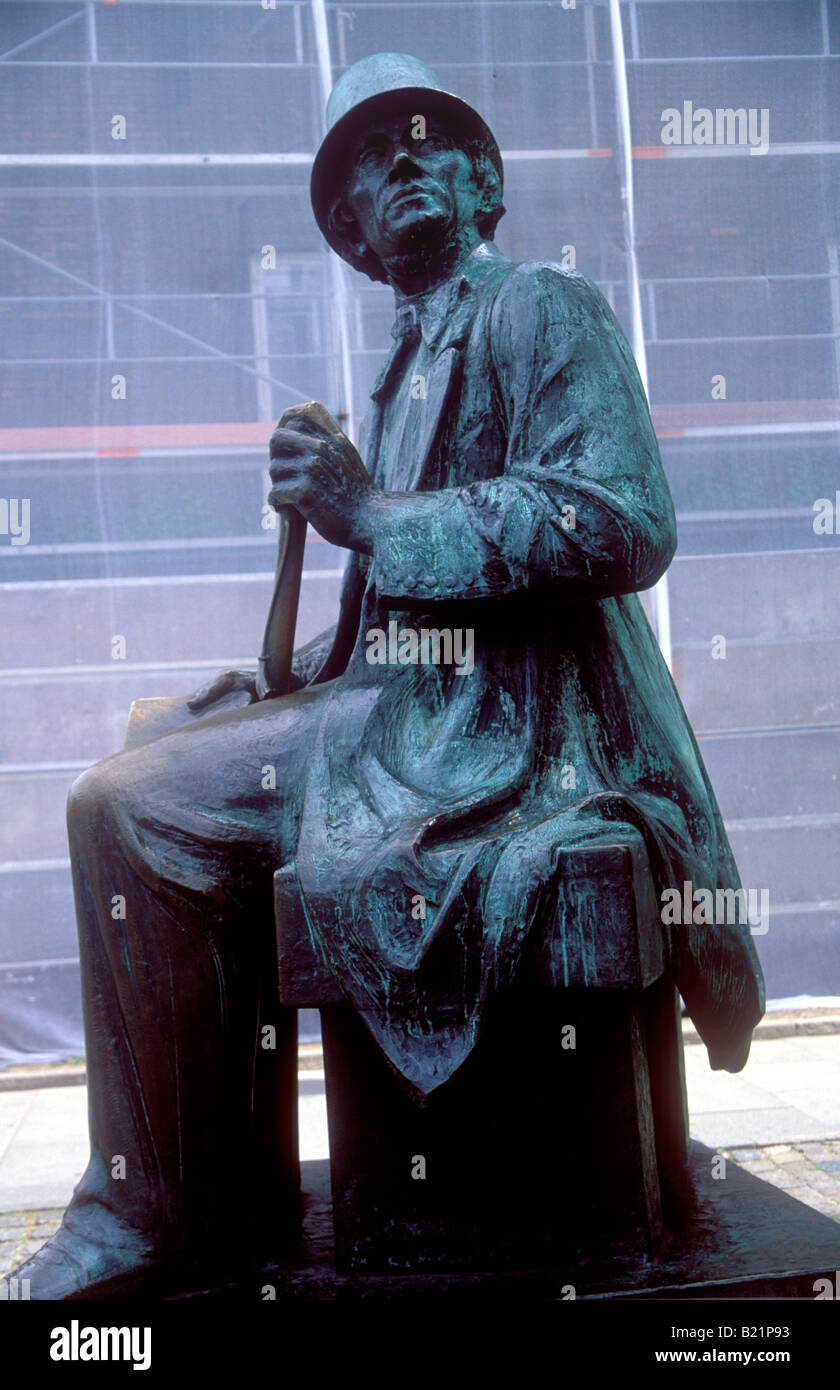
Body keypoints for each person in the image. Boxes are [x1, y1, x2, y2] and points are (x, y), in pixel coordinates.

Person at [8, 52, 764, 1300]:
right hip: (408, 711)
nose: (403, 153)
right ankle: (221, 1194)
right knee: (153, 748)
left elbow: (625, 521)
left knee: (123, 807)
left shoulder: (539, 308)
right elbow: (392, 605)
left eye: (432, 140)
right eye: (372, 154)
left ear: (486, 186)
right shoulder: (399, 376)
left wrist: (372, 514)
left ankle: (145, 1212)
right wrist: (272, 675)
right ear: (353, 231)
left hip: (512, 733)